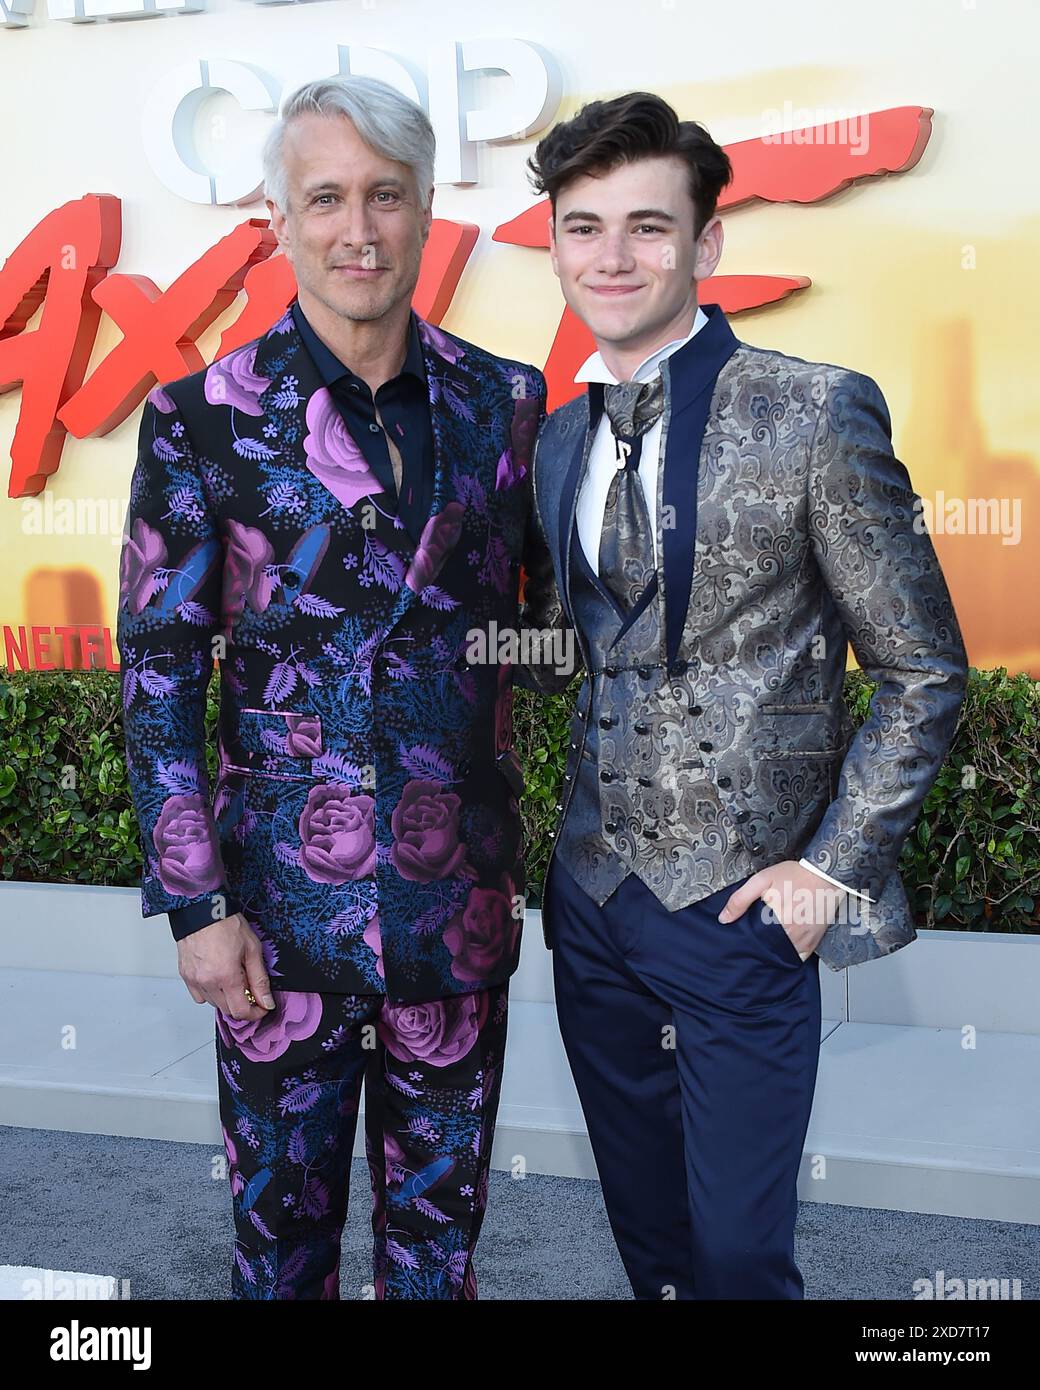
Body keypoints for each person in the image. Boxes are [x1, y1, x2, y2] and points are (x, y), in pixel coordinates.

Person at [517, 91, 968, 1299]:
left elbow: (922, 666)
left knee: (733, 1257)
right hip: (589, 901)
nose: (611, 256)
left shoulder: (816, 408)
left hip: (738, 907)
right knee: (652, 1246)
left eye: (648, 227)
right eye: (583, 226)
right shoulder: (556, 438)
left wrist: (830, 871)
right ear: (552, 241)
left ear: (705, 244)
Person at [116, 74, 559, 1300]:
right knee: (280, 1253)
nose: (355, 228)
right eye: (324, 198)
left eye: (383, 195)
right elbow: (159, 675)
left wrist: (481, 693)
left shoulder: (507, 402)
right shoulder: (199, 419)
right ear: (276, 215)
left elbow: (528, 629)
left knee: (437, 1251)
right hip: (271, 922)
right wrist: (195, 906)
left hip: (454, 908)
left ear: (425, 210)